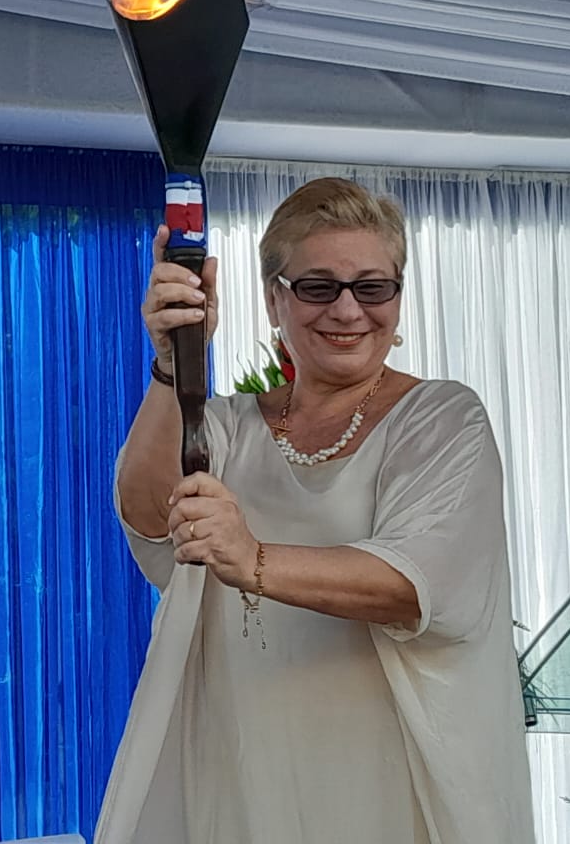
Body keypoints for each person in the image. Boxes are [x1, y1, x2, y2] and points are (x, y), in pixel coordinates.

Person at [95, 178, 533, 843]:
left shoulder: (444, 418)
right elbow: (149, 514)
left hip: (390, 780)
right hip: (241, 768)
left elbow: (417, 584)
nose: (349, 310)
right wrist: (169, 363)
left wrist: (254, 558)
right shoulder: (229, 426)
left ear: (397, 296)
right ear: (275, 300)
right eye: (319, 287)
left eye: (372, 286)